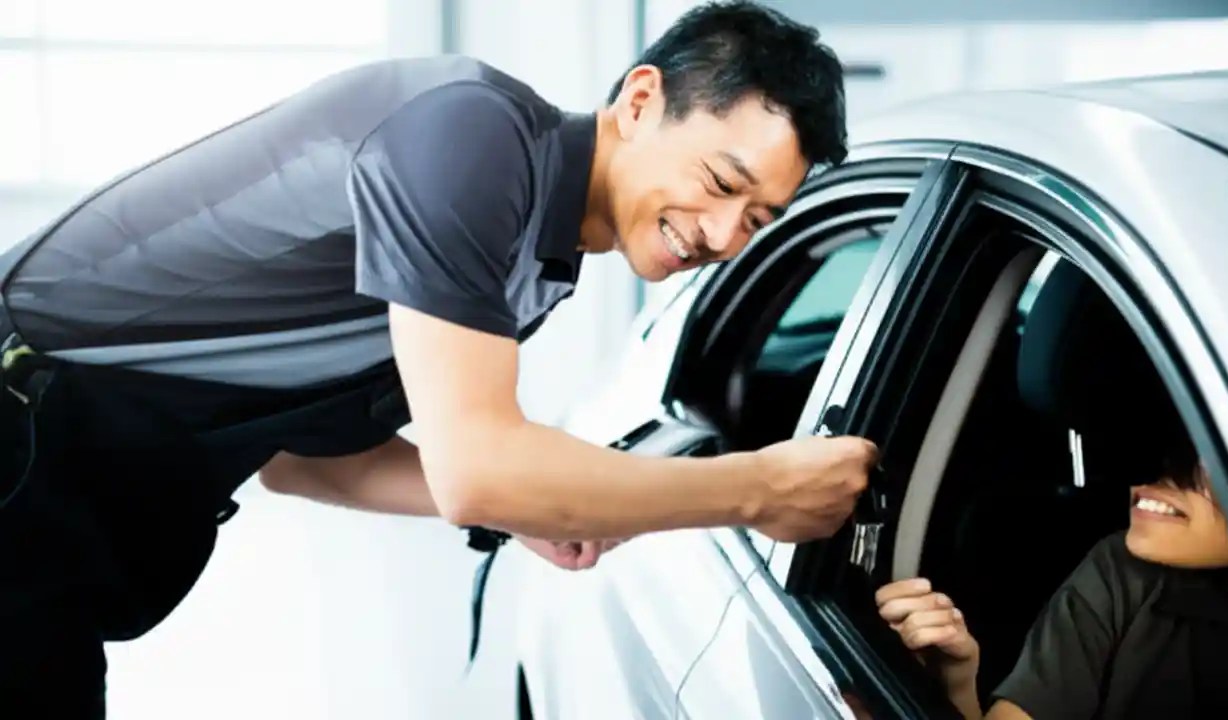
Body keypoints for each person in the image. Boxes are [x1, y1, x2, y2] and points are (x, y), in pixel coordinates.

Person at [0, 1, 877, 715]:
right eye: (722, 183)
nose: (723, 235)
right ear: (641, 100)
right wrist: (761, 490)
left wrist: (530, 508)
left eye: (758, 221)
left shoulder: (534, 249)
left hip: (56, 546)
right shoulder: (472, 141)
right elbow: (478, 469)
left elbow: (306, 465)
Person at [876, 460, 1228, 720]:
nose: (1157, 466)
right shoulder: (1126, 574)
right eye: (1155, 432)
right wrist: (957, 684)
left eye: (1204, 436)